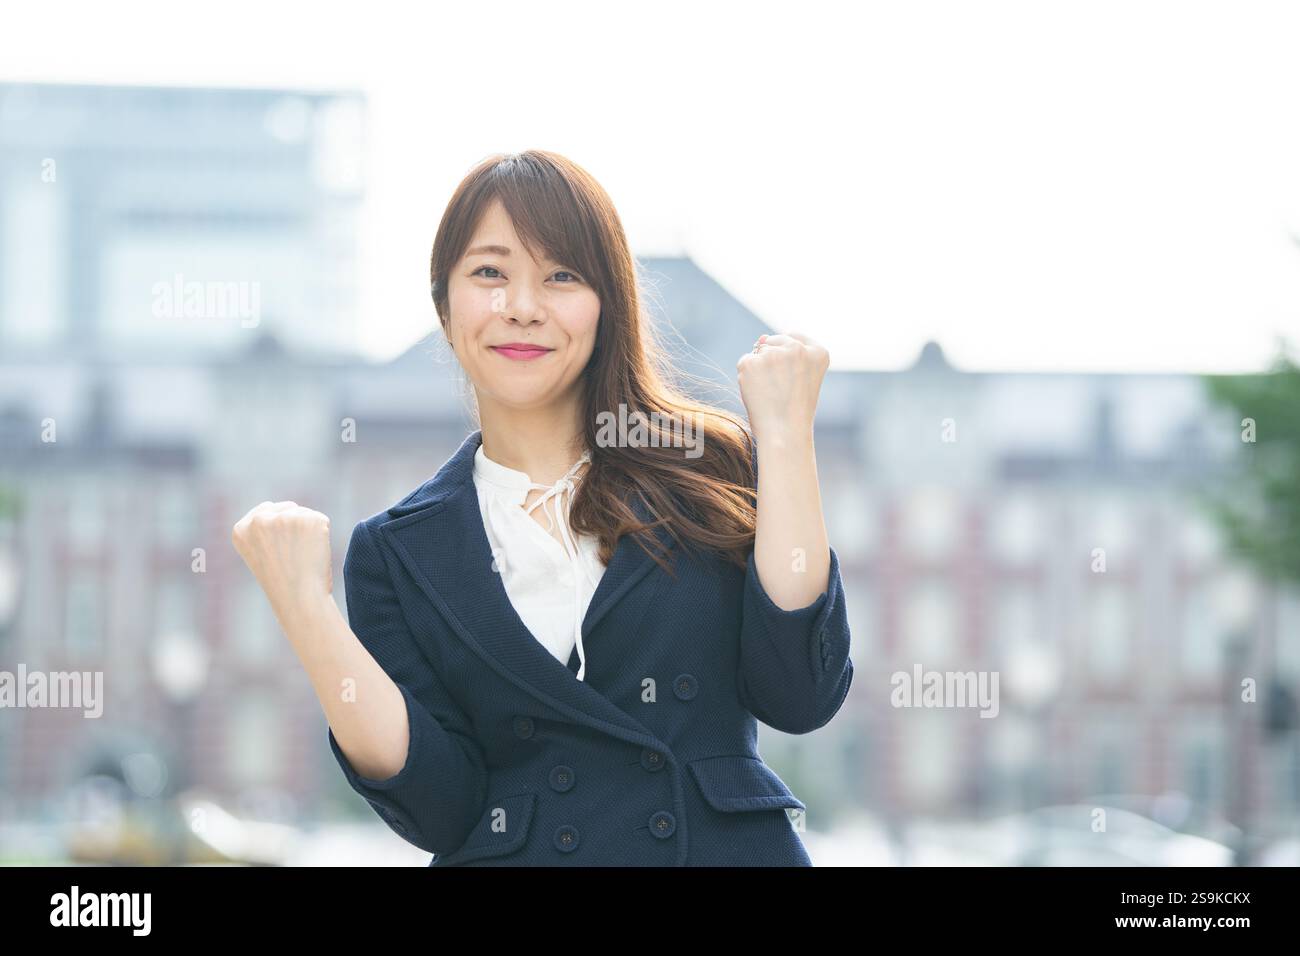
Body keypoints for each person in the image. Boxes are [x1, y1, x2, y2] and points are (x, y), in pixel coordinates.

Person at [232, 150, 853, 866]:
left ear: (605, 304)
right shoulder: (399, 551)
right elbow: (441, 805)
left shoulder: (705, 466)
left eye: (561, 275)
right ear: (445, 304)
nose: (523, 306)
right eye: (490, 273)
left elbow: (799, 693)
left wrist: (783, 438)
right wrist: (307, 612)